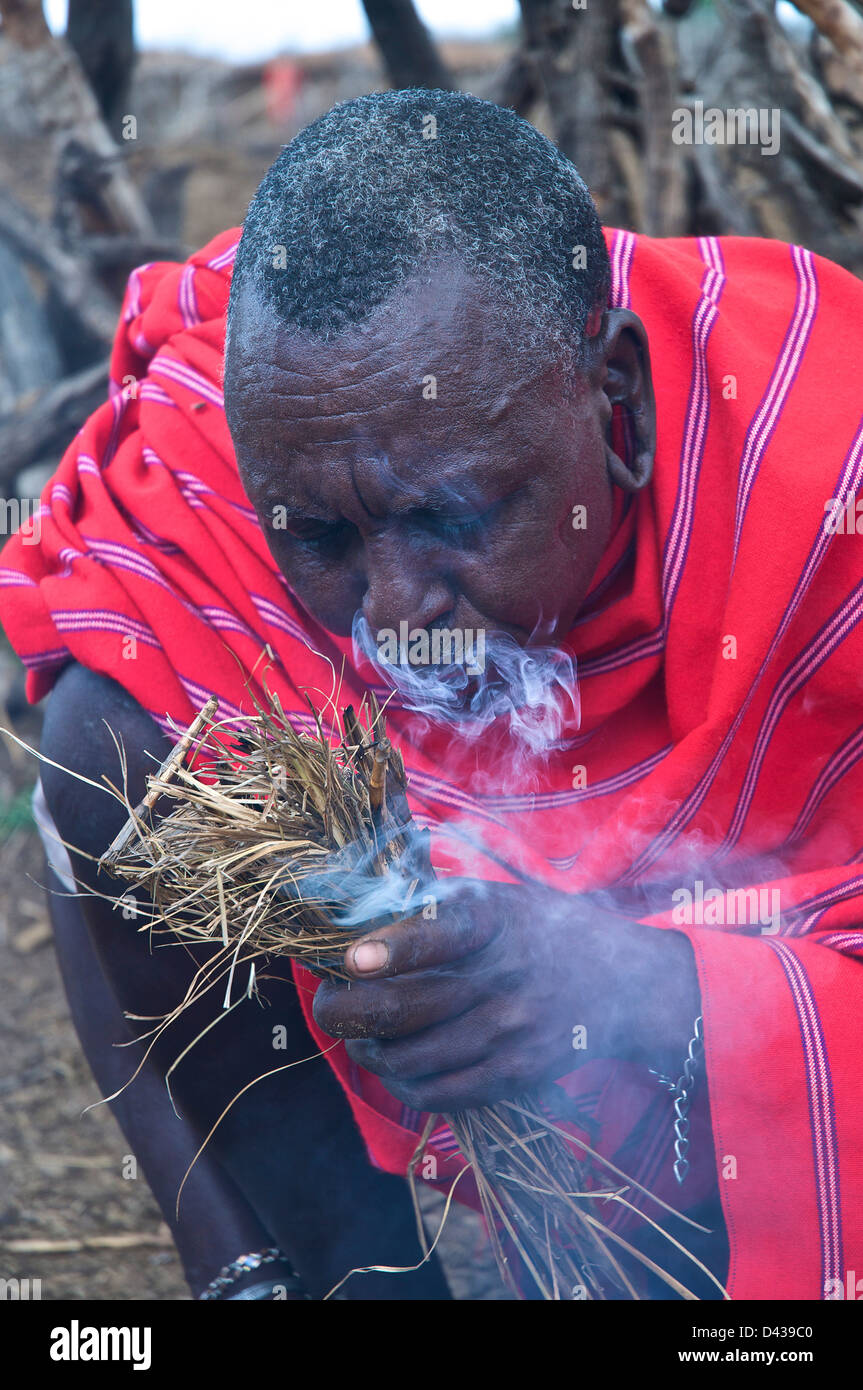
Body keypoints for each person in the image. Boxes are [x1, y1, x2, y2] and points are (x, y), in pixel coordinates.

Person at [2, 88, 861, 1301]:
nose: (394, 619)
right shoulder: (269, 427)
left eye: (451, 515)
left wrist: (649, 990)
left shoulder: (824, 470)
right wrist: (234, 1257)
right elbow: (83, 786)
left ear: (614, 404)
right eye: (325, 541)